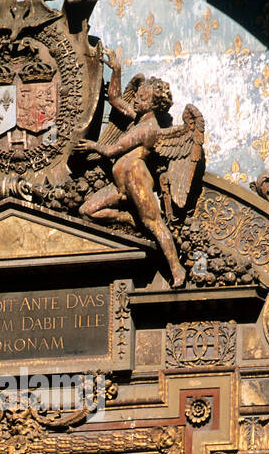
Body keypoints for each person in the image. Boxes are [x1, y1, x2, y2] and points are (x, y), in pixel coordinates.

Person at [77, 51, 187, 288]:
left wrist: (93, 146)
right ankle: (129, 219)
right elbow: (115, 98)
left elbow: (114, 149)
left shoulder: (149, 128)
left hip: (135, 178)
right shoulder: (137, 118)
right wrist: (116, 71)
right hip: (120, 184)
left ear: (154, 104)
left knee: (154, 223)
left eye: (142, 98)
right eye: (137, 96)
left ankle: (176, 268)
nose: (136, 101)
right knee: (86, 211)